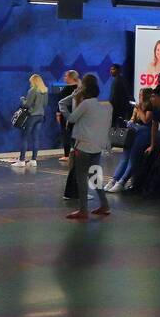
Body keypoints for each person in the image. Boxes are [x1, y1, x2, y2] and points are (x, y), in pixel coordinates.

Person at [65, 73, 112, 220]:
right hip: (97, 147)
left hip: (83, 146)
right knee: (94, 176)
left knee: (81, 177)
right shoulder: (104, 107)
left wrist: (70, 103)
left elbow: (72, 118)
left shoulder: (85, 104)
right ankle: (104, 204)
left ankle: (83, 210)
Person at [105, 87, 152, 193]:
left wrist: (139, 109)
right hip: (134, 132)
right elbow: (133, 119)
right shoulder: (137, 106)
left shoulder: (150, 107)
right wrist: (129, 122)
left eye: (142, 94)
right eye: (140, 94)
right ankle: (114, 180)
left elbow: (145, 120)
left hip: (144, 133)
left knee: (133, 158)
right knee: (124, 158)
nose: (140, 96)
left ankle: (122, 181)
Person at [13, 73, 48, 169]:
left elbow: (27, 105)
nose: (30, 83)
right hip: (41, 116)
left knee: (25, 137)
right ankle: (33, 160)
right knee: (35, 138)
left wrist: (22, 99)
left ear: (33, 81)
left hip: (32, 116)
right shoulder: (45, 90)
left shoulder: (32, 90)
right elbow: (45, 104)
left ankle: (21, 160)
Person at [55, 70, 79, 163]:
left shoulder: (66, 89)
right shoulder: (79, 88)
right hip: (77, 115)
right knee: (75, 135)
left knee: (66, 135)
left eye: (66, 76)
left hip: (66, 116)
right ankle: (76, 154)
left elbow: (61, 103)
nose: (64, 78)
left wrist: (58, 113)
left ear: (71, 77)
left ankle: (67, 155)